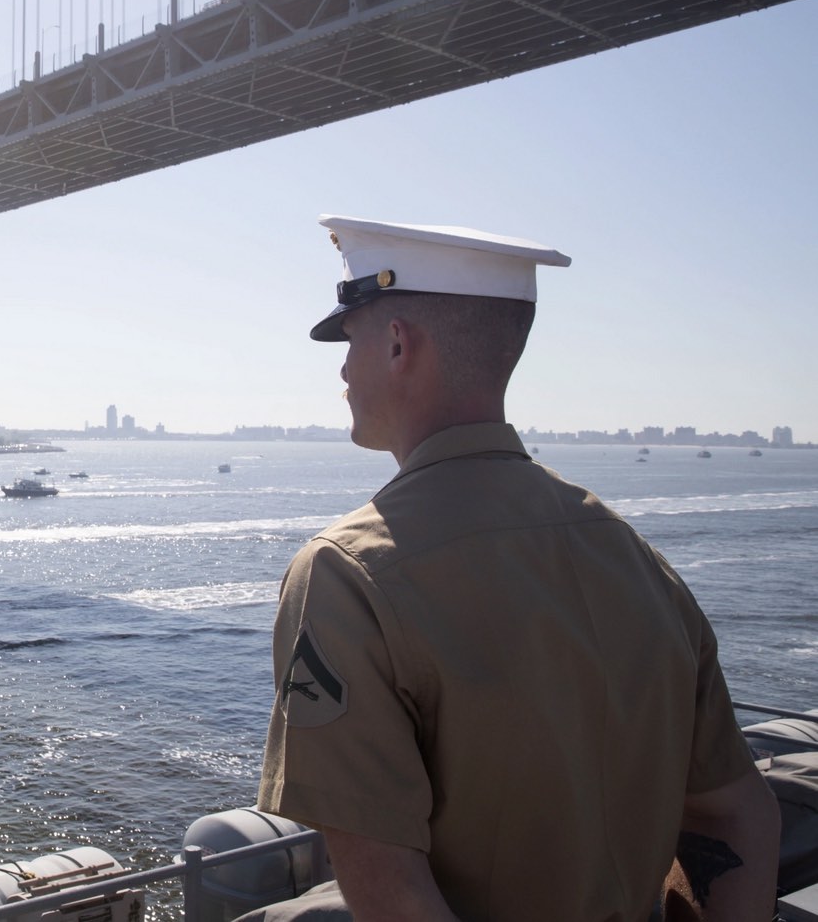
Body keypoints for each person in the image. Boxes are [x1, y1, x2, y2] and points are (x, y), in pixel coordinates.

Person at [253, 215, 779, 920]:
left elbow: (393, 894)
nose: (344, 371)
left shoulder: (345, 574)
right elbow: (739, 815)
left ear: (399, 343)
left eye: (349, 342)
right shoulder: (634, 555)